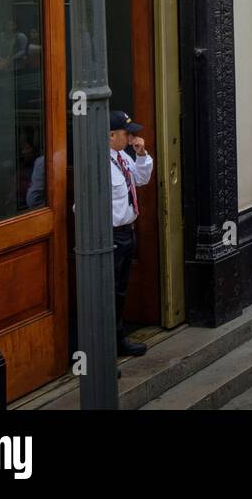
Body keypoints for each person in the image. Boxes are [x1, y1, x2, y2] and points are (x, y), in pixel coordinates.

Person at [109, 110, 153, 357]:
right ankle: (107, 349)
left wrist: (141, 154)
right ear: (111, 135)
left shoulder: (121, 157)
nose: (131, 138)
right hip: (111, 236)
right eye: (127, 133)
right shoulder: (99, 162)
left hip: (127, 233)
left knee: (121, 289)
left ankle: (119, 339)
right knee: (110, 292)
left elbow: (141, 179)